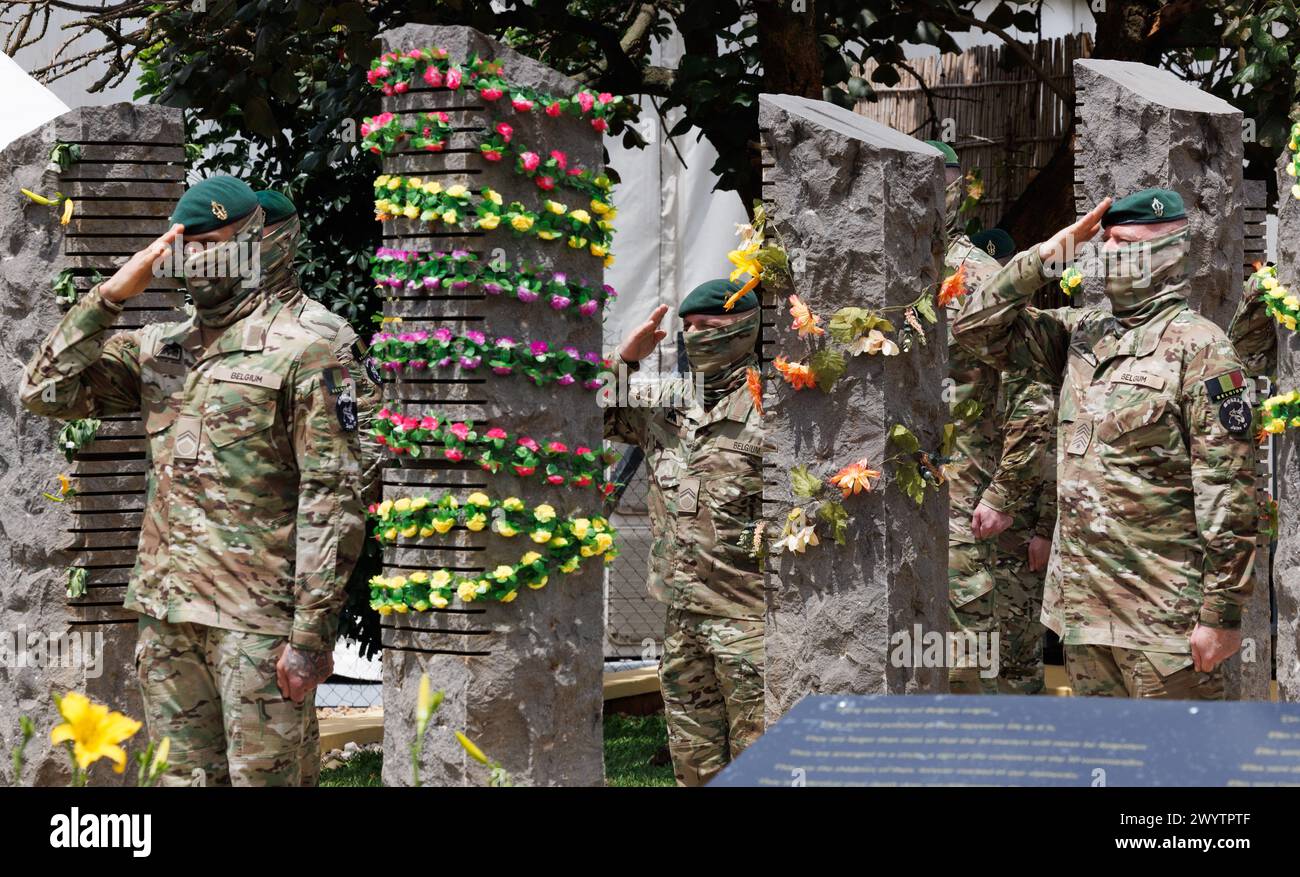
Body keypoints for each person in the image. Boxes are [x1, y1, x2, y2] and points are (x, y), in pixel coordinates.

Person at [19, 175, 366, 783]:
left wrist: (310, 636)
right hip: (167, 616)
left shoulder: (305, 349)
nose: (196, 257)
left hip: (257, 625)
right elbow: (45, 391)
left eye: (213, 243)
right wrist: (111, 295)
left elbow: (331, 499)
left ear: (255, 244)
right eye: (188, 244)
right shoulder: (159, 348)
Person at [953, 188, 1257, 699]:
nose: (1108, 254)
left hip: (1164, 624)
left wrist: (1221, 616)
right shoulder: (1081, 335)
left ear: (1167, 253)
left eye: (1124, 243)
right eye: (1106, 242)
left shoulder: (1202, 349)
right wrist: (1049, 255)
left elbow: (1227, 494)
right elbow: (975, 328)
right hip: (1083, 618)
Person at [606, 279, 765, 786]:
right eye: (689, 328)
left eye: (711, 328)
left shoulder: (776, 407)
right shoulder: (668, 400)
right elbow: (589, 409)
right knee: (694, 759)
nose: (696, 337)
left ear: (743, 329)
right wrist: (627, 356)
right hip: (683, 616)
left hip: (751, 618)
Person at [253, 188, 384, 786]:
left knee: (275, 749)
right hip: (204, 574)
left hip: (284, 574)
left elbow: (369, 436)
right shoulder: (194, 332)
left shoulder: (322, 333)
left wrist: (321, 531)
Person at [926, 141, 1054, 695]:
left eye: (940, 181)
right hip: (904, 506)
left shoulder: (979, 278)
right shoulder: (882, 273)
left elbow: (1035, 393)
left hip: (974, 506)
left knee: (993, 668)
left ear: (955, 189)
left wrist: (1009, 495)